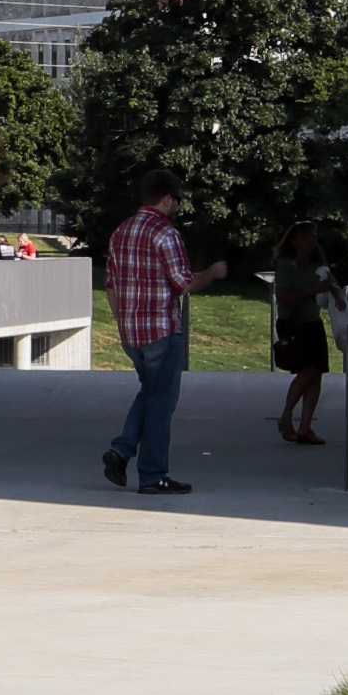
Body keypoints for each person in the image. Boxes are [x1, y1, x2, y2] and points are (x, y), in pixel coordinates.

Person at [97, 182, 194, 494]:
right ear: (167, 198)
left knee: (151, 393)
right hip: (162, 330)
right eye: (177, 200)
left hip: (132, 333)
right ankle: (153, 475)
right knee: (161, 404)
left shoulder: (121, 232)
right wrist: (213, 273)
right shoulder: (165, 233)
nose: (177, 207)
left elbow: (110, 283)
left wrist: (122, 323)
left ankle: (121, 450)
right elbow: (183, 283)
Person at [268, 236, 334, 453]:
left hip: (313, 322)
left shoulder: (319, 263)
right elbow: (282, 298)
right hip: (293, 323)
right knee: (308, 370)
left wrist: (335, 292)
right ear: (294, 240)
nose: (310, 240)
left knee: (317, 372)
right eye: (305, 235)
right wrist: (312, 291)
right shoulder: (286, 266)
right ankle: (286, 415)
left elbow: (331, 283)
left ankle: (305, 427)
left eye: (313, 236)